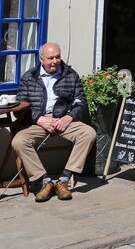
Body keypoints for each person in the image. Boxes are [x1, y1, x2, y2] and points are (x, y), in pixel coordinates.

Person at [12, 43, 96, 202]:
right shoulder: (29, 77)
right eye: (50, 58)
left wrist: (68, 118)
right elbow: (20, 107)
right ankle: (45, 182)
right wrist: (39, 119)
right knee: (19, 141)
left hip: (63, 119)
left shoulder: (70, 74)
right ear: (41, 59)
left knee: (88, 133)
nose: (55, 61)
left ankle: (63, 180)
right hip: (38, 121)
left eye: (57, 57)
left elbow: (81, 102)